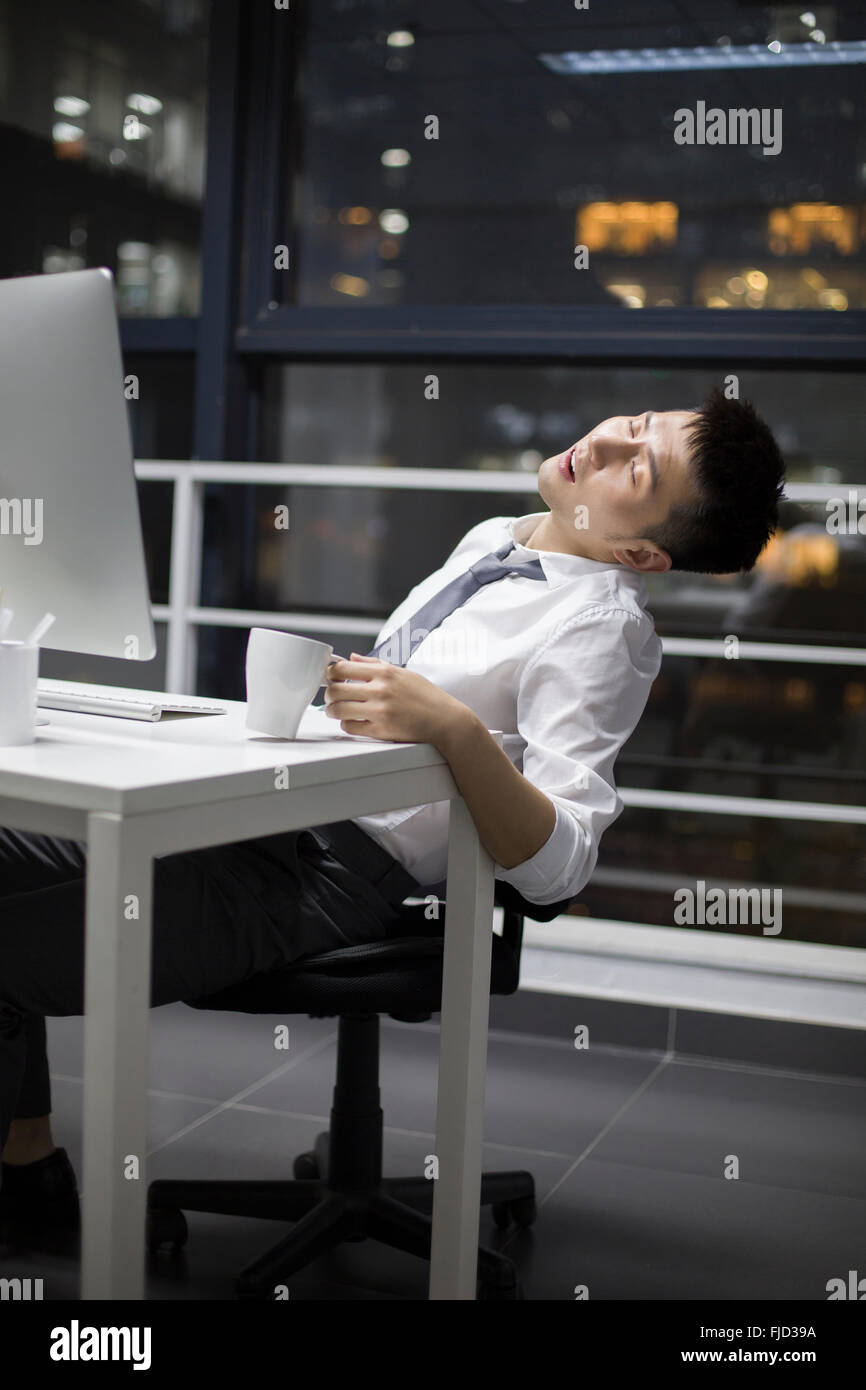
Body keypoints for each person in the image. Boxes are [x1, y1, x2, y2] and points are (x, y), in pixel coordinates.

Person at [0, 385, 785, 1248]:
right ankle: (28, 1169)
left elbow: (559, 869)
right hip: (280, 809)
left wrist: (452, 729)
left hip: (332, 874)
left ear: (639, 553)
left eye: (639, 466)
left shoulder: (602, 629)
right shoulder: (497, 540)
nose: (602, 445)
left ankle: (27, 1184)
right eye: (633, 426)